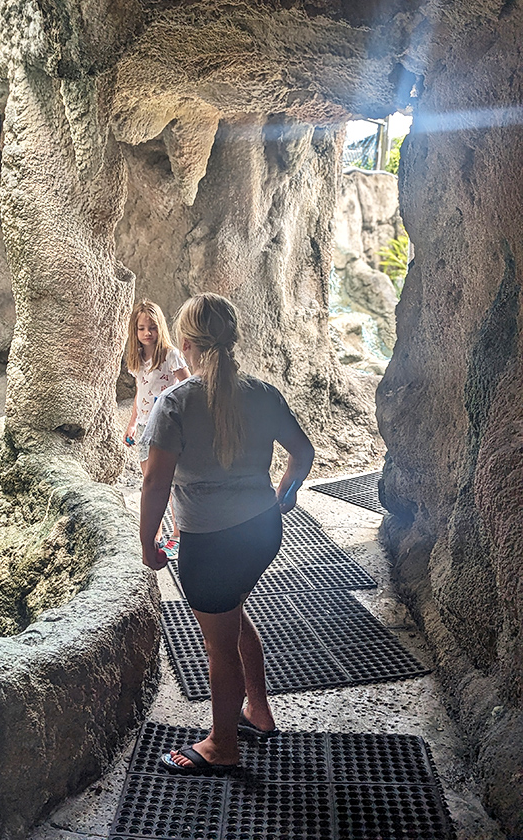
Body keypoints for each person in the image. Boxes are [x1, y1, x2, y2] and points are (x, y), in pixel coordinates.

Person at [139, 293, 314, 775]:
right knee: (233, 617)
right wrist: (285, 495)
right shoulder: (263, 393)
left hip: (210, 543)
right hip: (262, 532)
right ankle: (257, 710)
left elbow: (155, 482)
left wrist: (147, 540)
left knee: (218, 645)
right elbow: (303, 453)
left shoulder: (175, 403)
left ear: (188, 344)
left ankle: (223, 744)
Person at [124, 299, 190, 540]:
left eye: (151, 327)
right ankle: (156, 534)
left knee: (171, 484)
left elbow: (188, 387)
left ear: (159, 326)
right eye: (141, 328)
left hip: (165, 426)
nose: (147, 333)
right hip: (143, 426)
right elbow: (139, 393)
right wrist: (132, 423)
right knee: (150, 483)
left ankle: (178, 534)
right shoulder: (137, 358)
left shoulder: (171, 355)